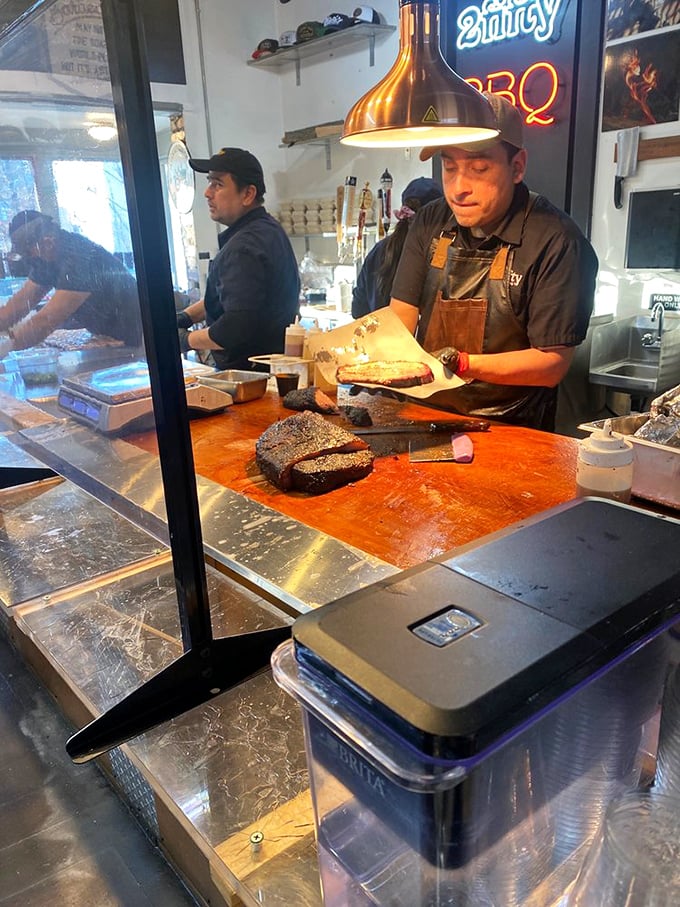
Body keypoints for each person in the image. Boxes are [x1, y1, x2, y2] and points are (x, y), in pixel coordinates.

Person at [389, 92, 599, 431]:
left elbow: (551, 364)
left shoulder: (557, 241)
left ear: (517, 167)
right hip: (425, 417)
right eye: (449, 167)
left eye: (478, 168)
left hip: (512, 429)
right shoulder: (430, 221)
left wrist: (462, 364)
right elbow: (400, 318)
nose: (458, 188)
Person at [176, 147, 300, 370]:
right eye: (209, 182)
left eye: (218, 184)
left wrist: (185, 340)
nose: (207, 193)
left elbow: (234, 328)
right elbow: (231, 297)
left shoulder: (244, 246)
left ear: (248, 194)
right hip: (276, 369)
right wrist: (185, 317)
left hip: (252, 376)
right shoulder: (267, 228)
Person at [0, 210, 142, 355]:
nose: (29, 260)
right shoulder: (46, 257)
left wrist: (5, 348)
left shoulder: (79, 257)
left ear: (48, 242)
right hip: (109, 335)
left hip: (139, 337)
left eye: (28, 253)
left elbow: (46, 321)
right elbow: (18, 305)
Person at [351, 177, 443, 319]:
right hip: (415, 333)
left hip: (381, 331)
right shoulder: (437, 253)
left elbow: (358, 310)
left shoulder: (379, 250)